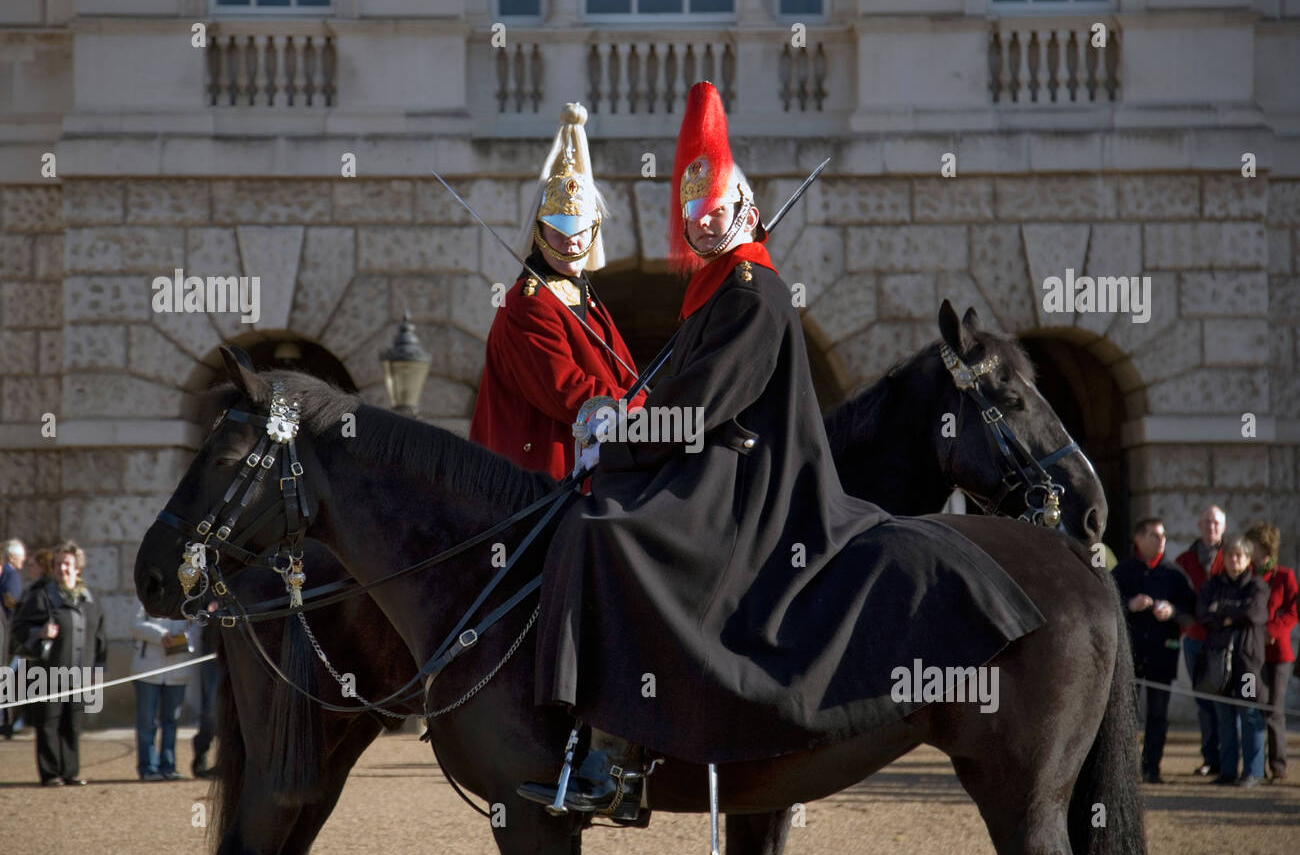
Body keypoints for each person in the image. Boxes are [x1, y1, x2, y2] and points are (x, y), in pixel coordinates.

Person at [519, 82, 1043, 816]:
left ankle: (610, 755)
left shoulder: (751, 292)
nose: (703, 229)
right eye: (693, 220)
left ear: (745, 213)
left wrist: (621, 437)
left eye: (714, 216)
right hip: (718, 462)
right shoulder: (720, 290)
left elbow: (700, 411)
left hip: (751, 481)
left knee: (603, 528)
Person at [470, 102, 646, 481]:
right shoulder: (527, 304)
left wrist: (646, 400)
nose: (570, 241)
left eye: (580, 229)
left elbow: (624, 373)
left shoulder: (584, 295)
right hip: (541, 482)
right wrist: (638, 412)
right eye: (558, 230)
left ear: (593, 229)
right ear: (540, 232)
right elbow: (566, 392)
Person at [9, 541, 106, 787]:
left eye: (68, 564)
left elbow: (100, 637)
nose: (63, 568)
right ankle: (51, 773)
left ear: (78, 569)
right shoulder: (41, 596)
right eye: (59, 564)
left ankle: (70, 772)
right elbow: (18, 629)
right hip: (47, 674)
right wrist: (39, 632)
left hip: (80, 675)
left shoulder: (90, 600)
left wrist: (98, 670)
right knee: (49, 725)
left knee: (73, 725)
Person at [1112, 518, 1195, 783]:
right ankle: (1124, 771)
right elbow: (1105, 609)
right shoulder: (1123, 572)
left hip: (1162, 654)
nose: (1160, 540)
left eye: (1162, 535)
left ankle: (1151, 768)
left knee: (1158, 715)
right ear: (1138, 539)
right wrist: (1128, 605)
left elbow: (1192, 612)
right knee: (1125, 716)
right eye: (1153, 535)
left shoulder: (1175, 574)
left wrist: (1172, 611)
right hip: (1130, 656)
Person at [1195, 534, 1269, 788]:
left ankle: (1253, 771)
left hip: (1247, 663)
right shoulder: (1212, 585)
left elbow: (1254, 613)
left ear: (1247, 560)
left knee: (1249, 712)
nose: (1234, 560)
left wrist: (1223, 610)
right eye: (1229, 555)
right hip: (1219, 664)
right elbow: (1203, 614)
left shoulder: (1257, 586)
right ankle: (1228, 771)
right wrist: (1231, 612)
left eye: (1239, 555)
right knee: (1224, 713)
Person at [1243, 521, 1296, 784]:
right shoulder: (1247, 575)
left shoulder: (1284, 576)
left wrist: (1272, 631)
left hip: (1278, 656)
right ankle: (1255, 766)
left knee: (1274, 709)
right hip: (1252, 655)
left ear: (1264, 548)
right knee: (1251, 706)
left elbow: (1293, 611)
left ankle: (1278, 766)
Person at [1176, 504, 1225, 776]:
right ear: (1199, 526)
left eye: (1216, 523)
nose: (1211, 527)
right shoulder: (1185, 560)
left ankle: (1231, 759)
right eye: (1207, 522)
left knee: (1227, 702)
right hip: (1195, 639)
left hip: (1223, 641)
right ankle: (1210, 757)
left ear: (1224, 527)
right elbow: (1179, 599)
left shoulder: (1233, 556)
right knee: (1203, 701)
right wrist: (1187, 623)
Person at [129, 602, 195, 781]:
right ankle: (148, 768)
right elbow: (135, 625)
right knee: (147, 722)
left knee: (171, 721)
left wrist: (185, 636)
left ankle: (168, 766)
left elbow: (197, 626)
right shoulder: (147, 593)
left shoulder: (189, 596)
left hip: (178, 669)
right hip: (147, 669)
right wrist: (161, 635)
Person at [1, 538, 26, 739]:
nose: (23, 561)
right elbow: (13, 603)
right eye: (20, 557)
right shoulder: (12, 576)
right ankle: (7, 721)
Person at [192, 601, 219, 778]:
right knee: (212, 707)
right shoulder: (207, 582)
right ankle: (201, 754)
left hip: (242, 650)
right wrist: (207, 608)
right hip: (214, 650)